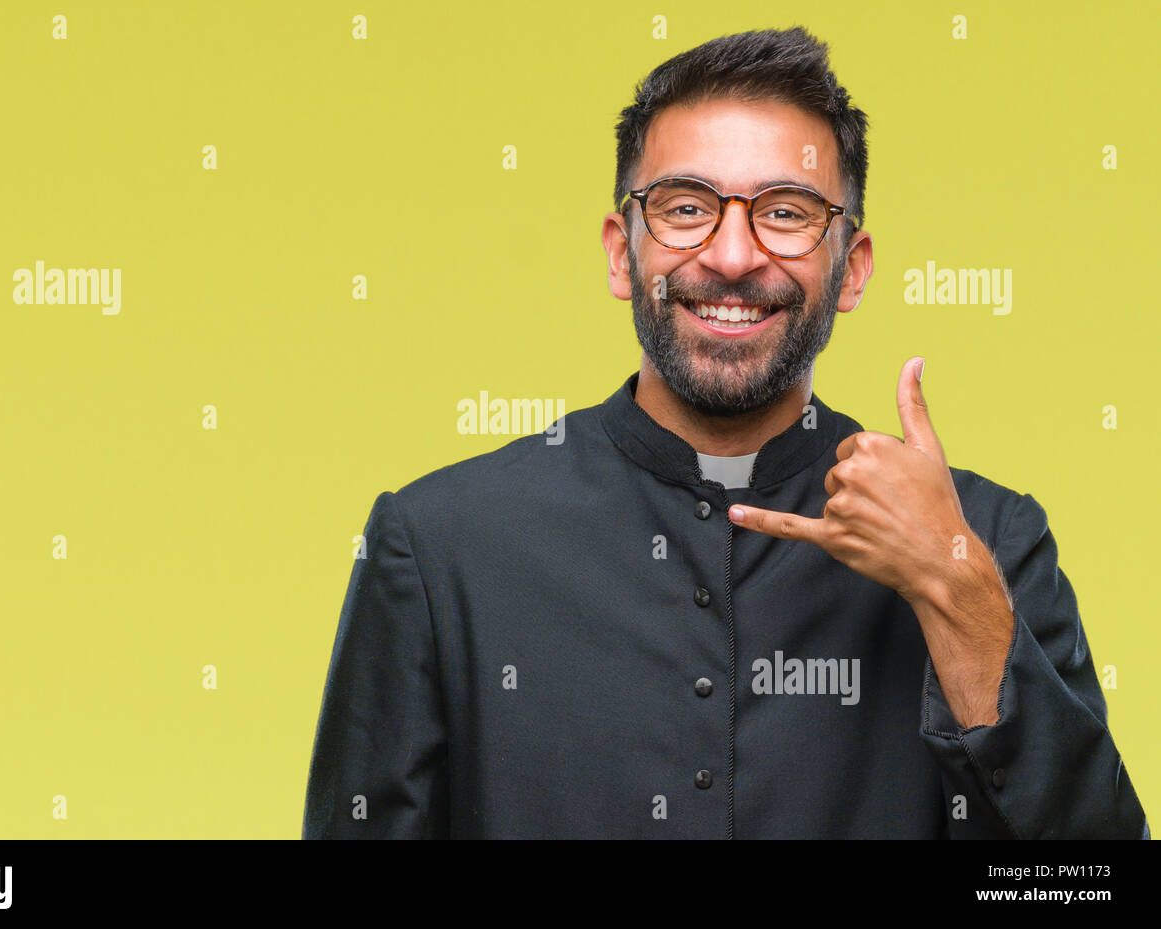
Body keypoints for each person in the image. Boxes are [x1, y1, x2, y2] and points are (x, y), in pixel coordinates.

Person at [302, 26, 1149, 839]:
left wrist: (953, 587)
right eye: (684, 207)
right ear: (618, 253)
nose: (734, 255)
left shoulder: (989, 540)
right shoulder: (441, 545)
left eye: (785, 212)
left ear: (850, 269)